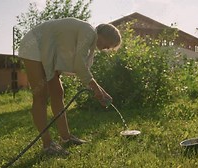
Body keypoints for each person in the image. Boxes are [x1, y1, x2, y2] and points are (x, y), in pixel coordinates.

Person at [18, 17, 122, 155]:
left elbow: (82, 67)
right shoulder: (89, 33)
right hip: (34, 46)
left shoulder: (89, 38)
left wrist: (102, 91)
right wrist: (97, 89)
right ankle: (47, 145)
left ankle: (66, 138)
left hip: (48, 51)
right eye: (110, 44)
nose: (108, 49)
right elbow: (79, 65)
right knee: (40, 95)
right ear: (106, 36)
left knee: (57, 92)